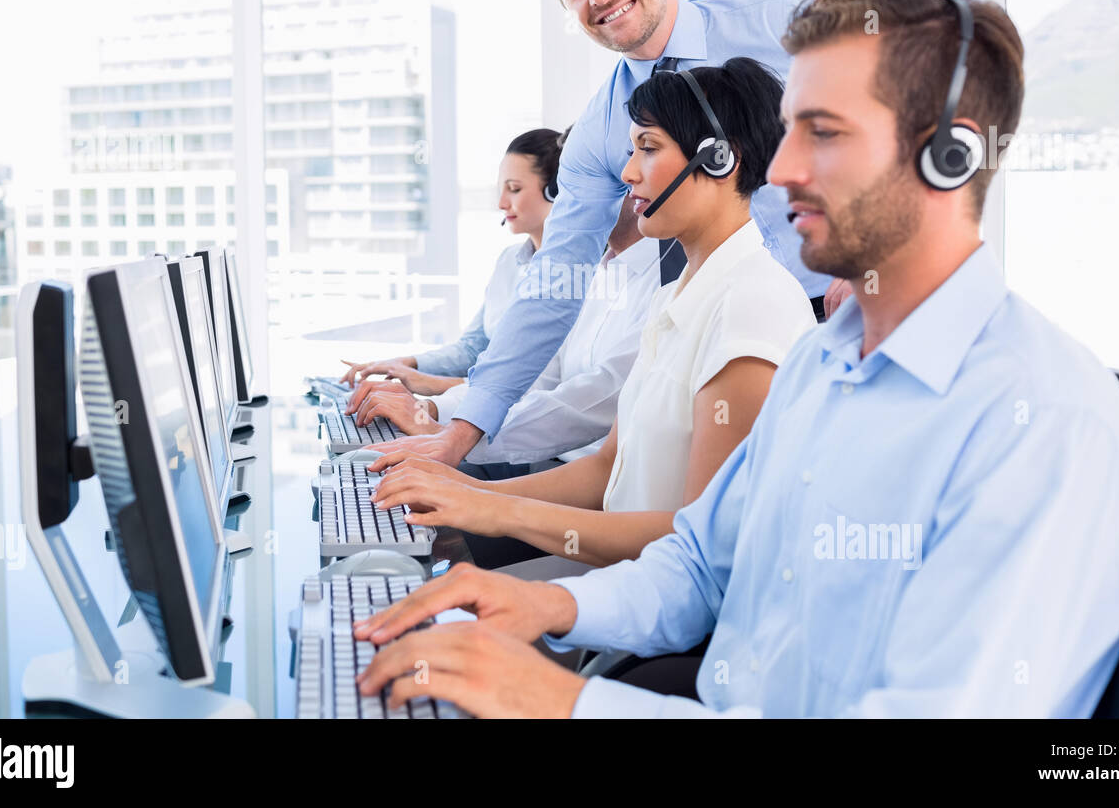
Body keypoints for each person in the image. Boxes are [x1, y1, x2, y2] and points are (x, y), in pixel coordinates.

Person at [349, 0, 1119, 718]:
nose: (778, 170)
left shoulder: (1045, 430)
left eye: (824, 133)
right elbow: (700, 562)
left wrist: (564, 704)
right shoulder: (821, 364)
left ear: (947, 156)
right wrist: (546, 607)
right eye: (785, 133)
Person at [366, 0, 838, 469]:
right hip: (717, 337)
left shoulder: (782, 20)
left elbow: (911, 111)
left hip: (849, 309)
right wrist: (462, 431)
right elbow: (555, 280)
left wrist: (875, 262)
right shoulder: (599, 130)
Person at [366, 58, 816, 572]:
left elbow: (703, 542)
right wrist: (463, 492)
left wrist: (490, 509)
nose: (627, 174)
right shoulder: (679, 296)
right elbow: (606, 469)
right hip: (623, 577)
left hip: (673, 618)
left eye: (647, 149)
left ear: (717, 160)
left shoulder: (751, 306)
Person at [345, 193, 668, 478]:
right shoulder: (591, 276)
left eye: (579, 183)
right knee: (385, 479)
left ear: (629, 186)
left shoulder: (665, 282)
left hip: (581, 475)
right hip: (546, 459)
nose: (564, 202)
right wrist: (435, 412)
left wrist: (459, 434)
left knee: (430, 511)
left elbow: (596, 397)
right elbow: (530, 377)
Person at [337, 128, 561, 402]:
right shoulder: (508, 262)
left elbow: (535, 385)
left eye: (514, 189)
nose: (502, 203)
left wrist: (429, 383)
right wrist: (404, 364)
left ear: (555, 191)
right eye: (501, 189)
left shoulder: (572, 276)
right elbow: (473, 348)